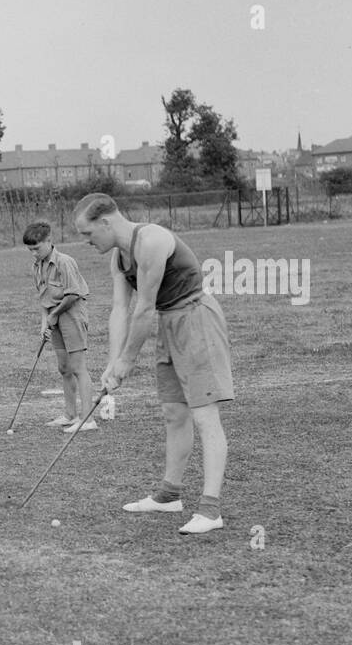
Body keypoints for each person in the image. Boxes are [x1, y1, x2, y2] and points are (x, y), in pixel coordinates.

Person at [73, 193, 233, 535]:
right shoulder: (118, 257)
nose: (87, 242)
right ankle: (168, 495)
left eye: (88, 234)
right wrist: (113, 362)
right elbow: (120, 309)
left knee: (205, 414)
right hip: (169, 322)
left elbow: (144, 308)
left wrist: (127, 363)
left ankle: (210, 509)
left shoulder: (152, 241)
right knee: (174, 412)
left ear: (105, 222)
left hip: (195, 320)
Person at [23, 221, 97, 433]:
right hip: (55, 316)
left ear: (49, 241)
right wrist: (44, 321)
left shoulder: (65, 262)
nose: (33, 253)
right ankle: (70, 415)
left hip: (71, 314)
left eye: (36, 248)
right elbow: (43, 297)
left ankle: (87, 419)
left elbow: (73, 294)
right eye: (30, 249)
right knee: (64, 367)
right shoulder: (36, 266)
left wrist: (54, 315)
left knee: (77, 367)